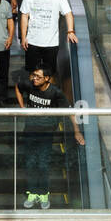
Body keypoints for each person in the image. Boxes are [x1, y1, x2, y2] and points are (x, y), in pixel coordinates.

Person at [15, 64, 85, 210]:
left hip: (46, 133)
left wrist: (76, 131)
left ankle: (44, 194)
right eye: (33, 75)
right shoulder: (30, 84)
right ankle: (32, 193)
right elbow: (18, 87)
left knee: (43, 164)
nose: (34, 79)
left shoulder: (55, 93)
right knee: (30, 163)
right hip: (29, 131)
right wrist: (22, 108)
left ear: (47, 79)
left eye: (38, 77)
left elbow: (69, 111)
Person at [19, 0, 77, 73]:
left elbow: (68, 13)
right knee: (32, 73)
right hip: (32, 42)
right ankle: (33, 91)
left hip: (51, 44)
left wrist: (70, 31)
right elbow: (24, 16)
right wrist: (23, 37)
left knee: (49, 74)